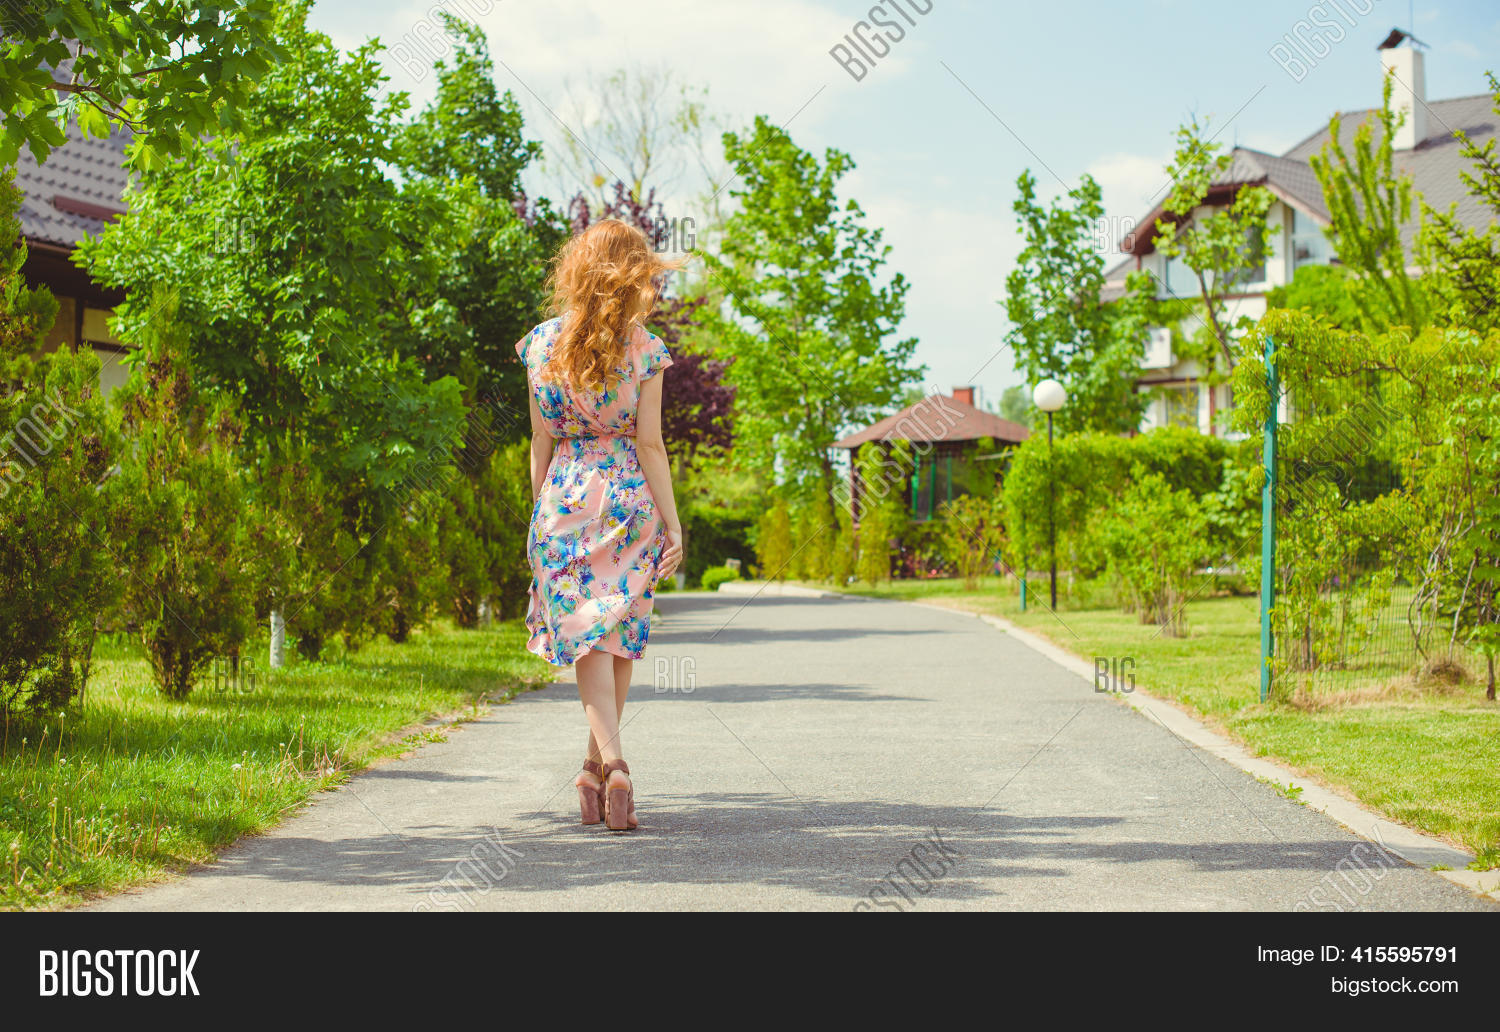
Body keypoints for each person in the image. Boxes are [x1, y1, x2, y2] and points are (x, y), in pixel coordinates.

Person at [515, 219, 685, 832]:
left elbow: (540, 437)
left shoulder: (539, 346)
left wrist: (538, 513)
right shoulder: (644, 348)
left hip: (563, 498)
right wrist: (673, 523)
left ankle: (602, 768)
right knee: (614, 632)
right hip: (627, 502)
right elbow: (650, 444)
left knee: (595, 633)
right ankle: (608, 769)